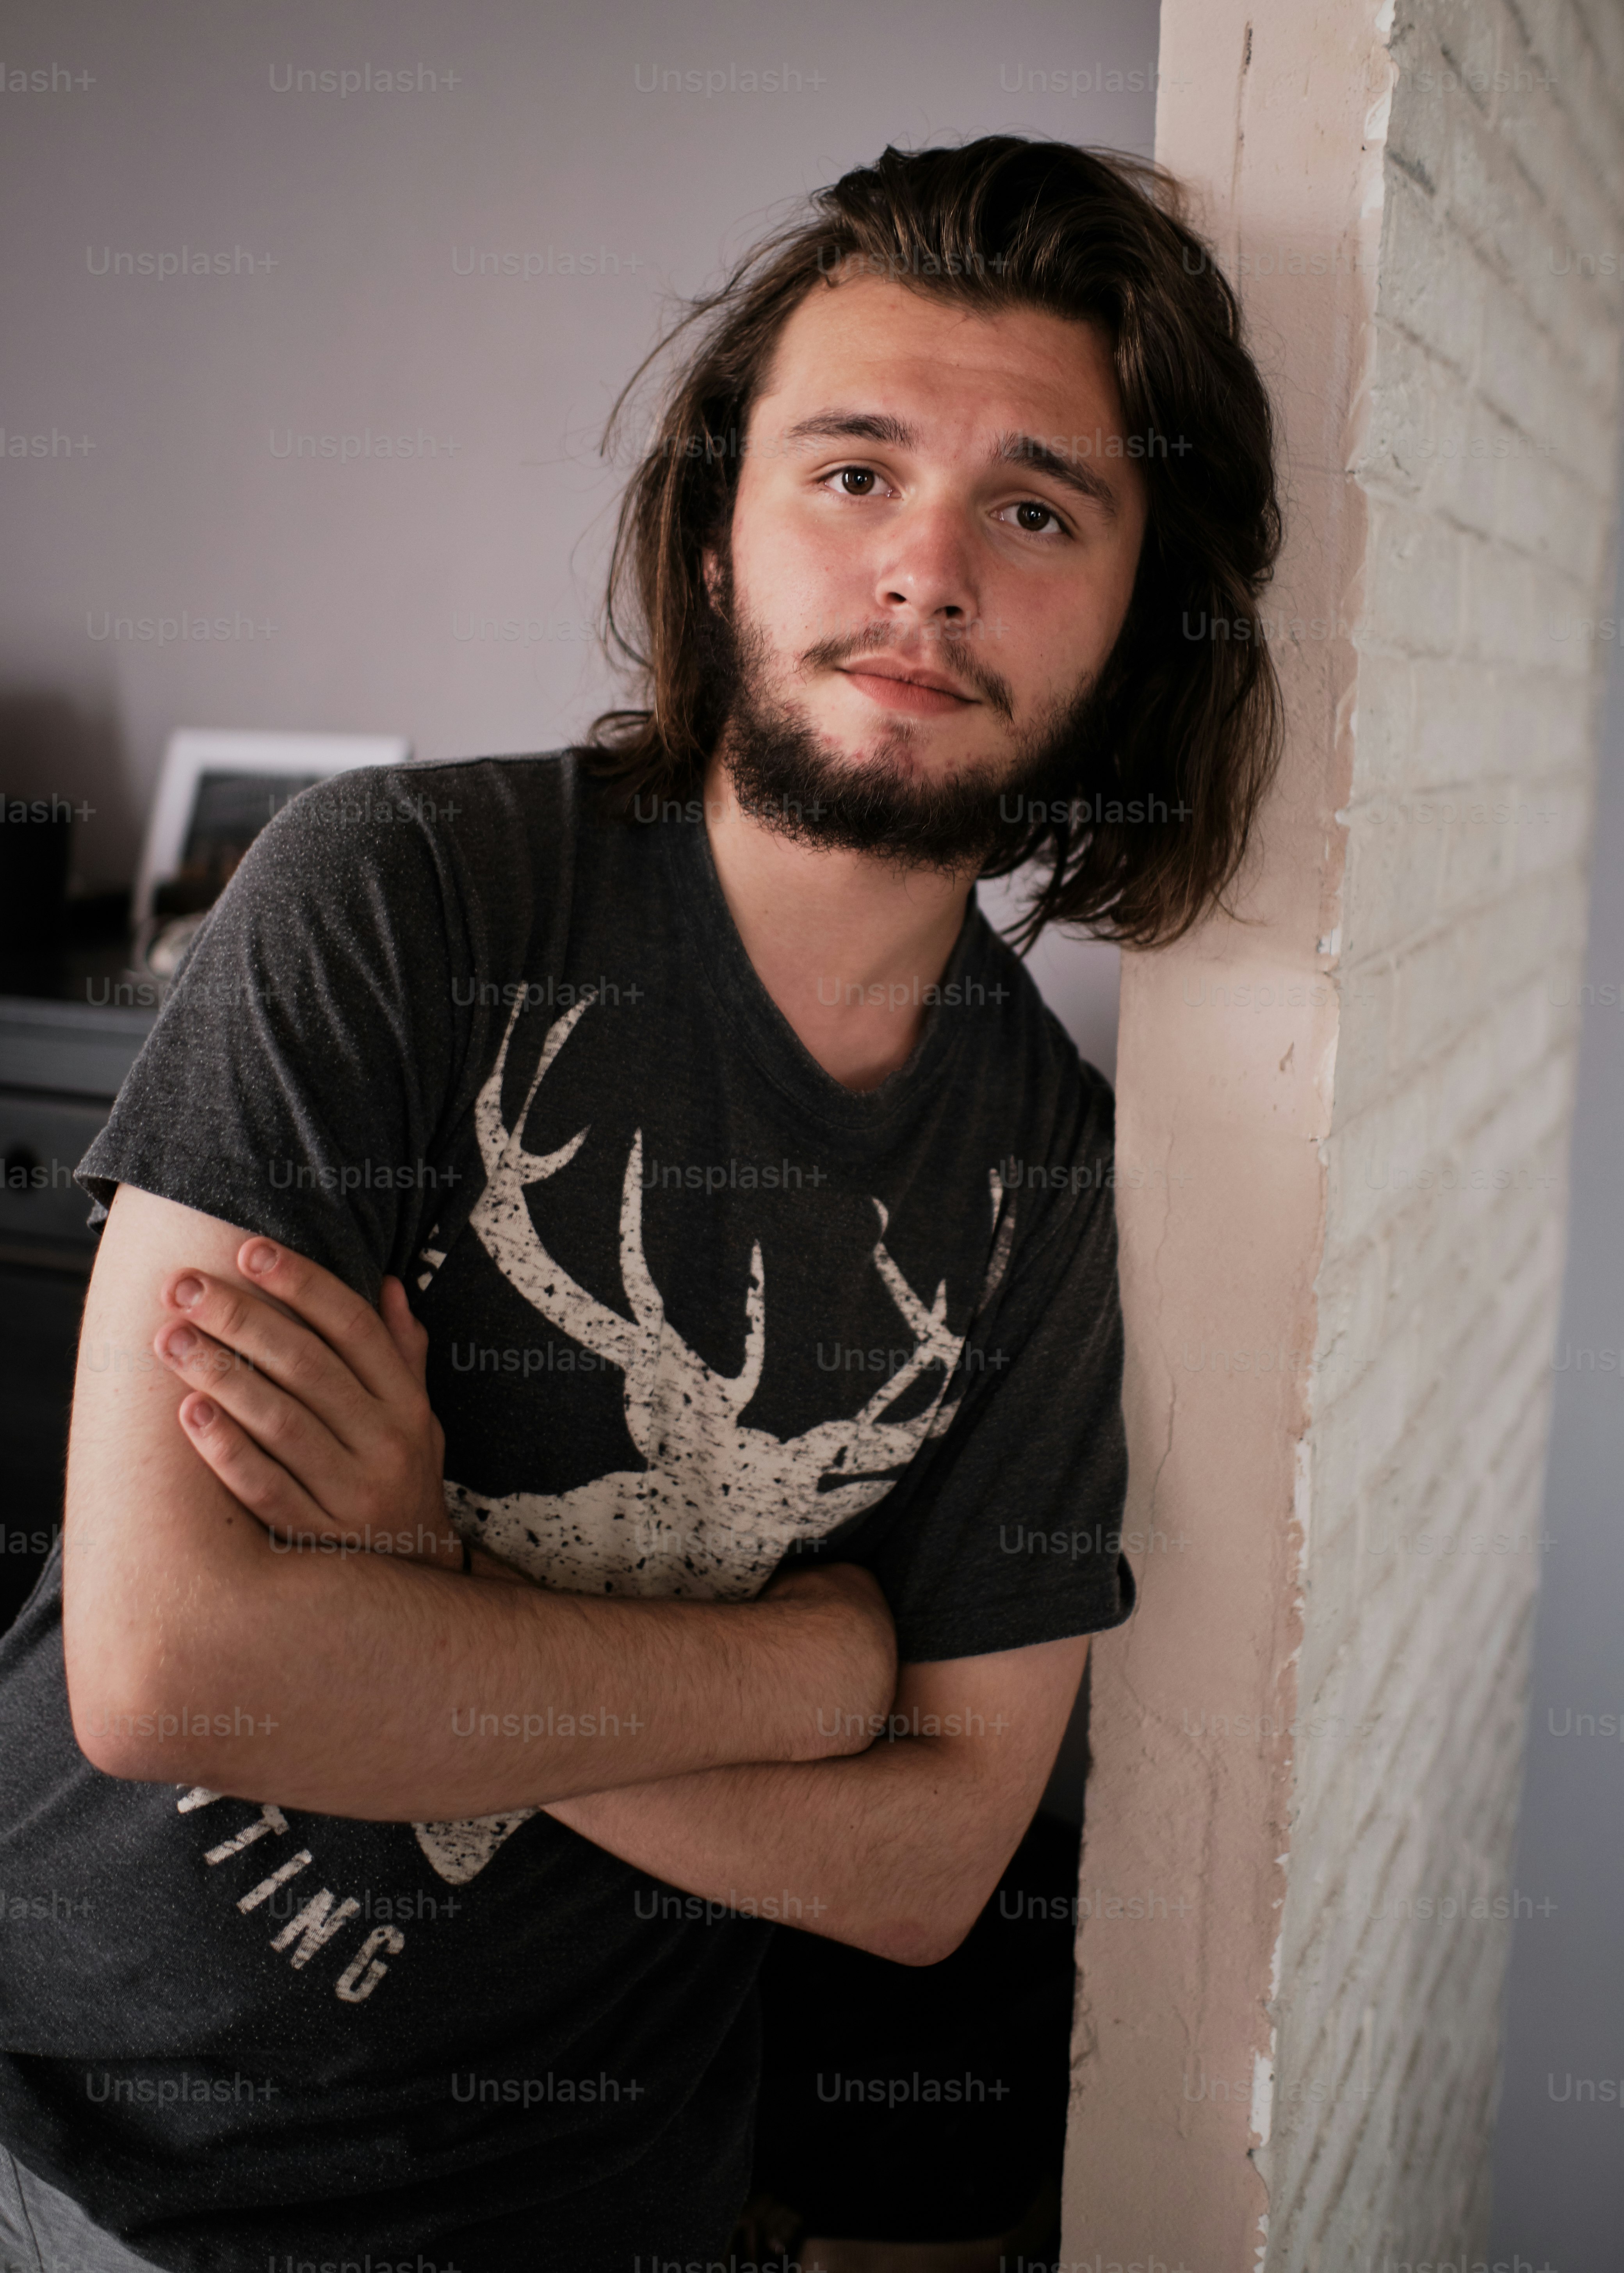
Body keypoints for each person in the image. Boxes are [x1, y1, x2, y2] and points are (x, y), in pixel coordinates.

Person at [0, 134, 1281, 2273]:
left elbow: (930, 1862)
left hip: (572, 2215)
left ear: (1134, 624)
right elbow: (171, 1668)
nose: (930, 569)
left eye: (1036, 508)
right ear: (715, 536)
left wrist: (417, 1593)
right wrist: (804, 1673)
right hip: (61, 2148)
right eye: (854, 472)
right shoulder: (396, 894)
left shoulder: (1053, 1179)